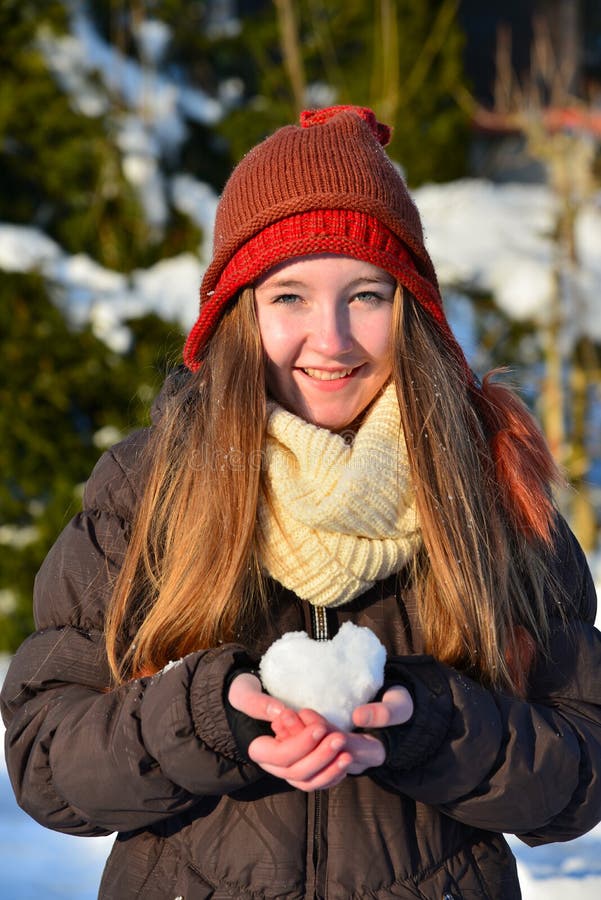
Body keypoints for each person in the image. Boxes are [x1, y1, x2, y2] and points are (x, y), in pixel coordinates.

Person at [2, 105, 601, 900]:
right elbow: (45, 759)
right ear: (239, 312)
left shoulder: (485, 491)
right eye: (289, 296)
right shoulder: (149, 490)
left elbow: (580, 767)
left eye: (365, 295)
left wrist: (428, 726)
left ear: (410, 308)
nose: (332, 339)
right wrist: (210, 718)